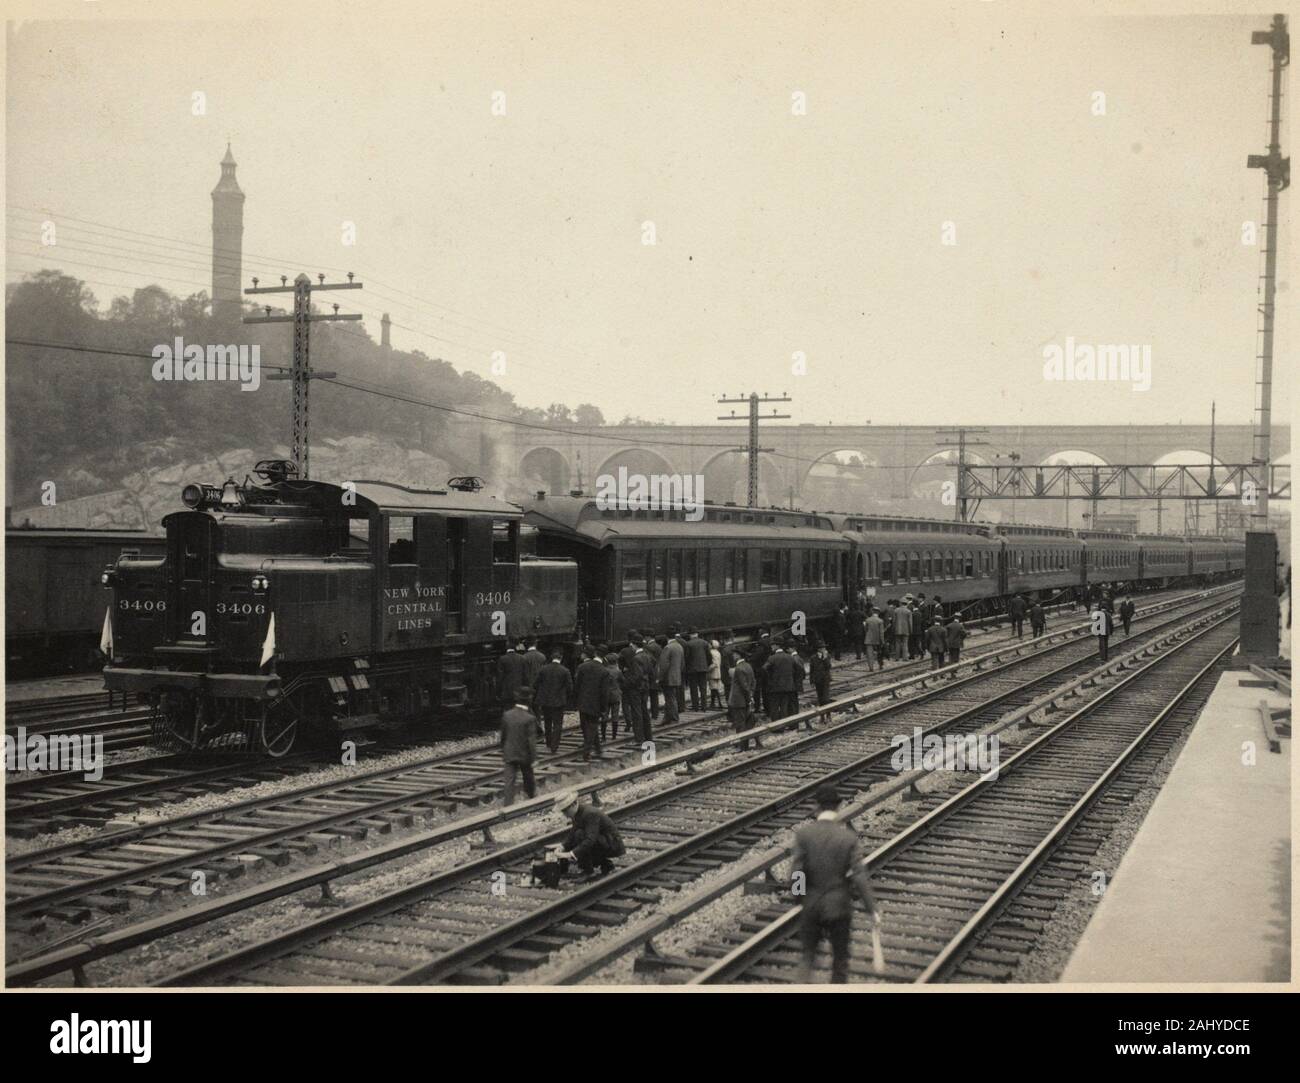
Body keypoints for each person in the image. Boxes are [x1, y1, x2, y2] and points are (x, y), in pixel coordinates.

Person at [791, 783, 881, 984]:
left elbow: (797, 873)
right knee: (840, 961)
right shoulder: (847, 838)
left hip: (811, 905)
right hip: (839, 908)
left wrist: (800, 900)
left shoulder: (804, 835)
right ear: (837, 807)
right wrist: (871, 909)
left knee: (807, 958)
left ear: (817, 807)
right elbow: (859, 876)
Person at [554, 791, 625, 878]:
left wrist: (571, 854)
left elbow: (590, 840)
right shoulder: (578, 813)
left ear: (573, 804)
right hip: (603, 841)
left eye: (565, 811)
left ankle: (588, 871)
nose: (565, 815)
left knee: (580, 835)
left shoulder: (590, 813)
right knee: (577, 835)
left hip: (613, 845)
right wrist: (562, 846)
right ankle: (605, 864)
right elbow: (572, 832)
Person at [499, 699, 539, 806]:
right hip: (524, 754)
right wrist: (534, 758)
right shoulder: (530, 718)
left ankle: (507, 805)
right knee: (528, 777)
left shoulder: (507, 715)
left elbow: (503, 735)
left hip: (510, 753)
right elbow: (531, 741)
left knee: (509, 781)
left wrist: (504, 749)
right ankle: (532, 800)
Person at [573, 650, 610, 761]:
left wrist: (576, 701)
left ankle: (598, 749)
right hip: (595, 704)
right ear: (604, 658)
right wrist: (604, 708)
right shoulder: (604, 671)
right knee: (592, 727)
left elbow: (577, 685)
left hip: (582, 702)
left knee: (588, 727)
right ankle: (586, 752)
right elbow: (604, 693)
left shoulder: (583, 667)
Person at [532, 653, 572, 753]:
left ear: (551, 658)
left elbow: (535, 684)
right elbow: (569, 687)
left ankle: (549, 743)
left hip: (545, 701)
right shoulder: (565, 671)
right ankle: (555, 746)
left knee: (547, 722)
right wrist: (565, 696)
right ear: (561, 659)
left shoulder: (543, 669)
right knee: (557, 724)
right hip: (559, 702)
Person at [766, 643, 807, 727]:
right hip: (788, 687)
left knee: (775, 707)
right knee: (785, 706)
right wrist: (793, 680)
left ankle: (777, 727)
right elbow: (800, 669)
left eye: (772, 645)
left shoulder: (772, 658)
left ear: (777, 646)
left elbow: (764, 669)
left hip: (775, 687)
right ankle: (787, 724)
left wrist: (770, 680)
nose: (771, 647)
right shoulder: (790, 657)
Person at [728, 649, 761, 749]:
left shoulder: (738, 669)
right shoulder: (748, 666)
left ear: (738, 655)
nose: (733, 656)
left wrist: (748, 698)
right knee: (746, 721)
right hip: (745, 700)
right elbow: (753, 682)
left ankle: (742, 746)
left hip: (738, 701)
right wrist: (751, 695)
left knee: (740, 723)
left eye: (734, 654)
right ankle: (744, 744)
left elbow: (744, 686)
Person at [657, 631, 684, 723]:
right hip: (676, 676)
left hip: (668, 677)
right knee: (672, 697)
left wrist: (659, 678)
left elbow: (664, 665)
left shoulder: (667, 648)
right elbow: (682, 663)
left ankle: (672, 717)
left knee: (669, 697)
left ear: (666, 637)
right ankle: (670, 717)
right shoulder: (679, 646)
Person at [685, 629, 711, 712]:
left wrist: (687, 667)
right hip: (703, 668)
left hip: (692, 670)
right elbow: (709, 656)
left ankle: (695, 707)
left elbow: (687, 658)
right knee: (703, 688)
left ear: (690, 635)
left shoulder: (688, 644)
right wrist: (706, 665)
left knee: (694, 688)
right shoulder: (704, 642)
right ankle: (704, 707)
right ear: (697, 634)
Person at [751, 631, 773, 717]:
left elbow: (755, 657)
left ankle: (757, 708)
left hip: (759, 670)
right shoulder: (770, 642)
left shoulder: (761, 645)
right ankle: (768, 708)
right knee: (766, 690)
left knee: (757, 690)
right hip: (768, 670)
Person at [602, 653, 623, 742]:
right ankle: (614, 736)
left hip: (605, 696)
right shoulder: (618, 671)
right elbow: (623, 681)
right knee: (615, 716)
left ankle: (603, 737)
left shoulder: (603, 670)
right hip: (615, 695)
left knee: (604, 716)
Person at [645, 634, 664, 721]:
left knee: (647, 694)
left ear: (648, 637)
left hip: (650, 673)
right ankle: (655, 714)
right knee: (654, 695)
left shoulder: (649, 647)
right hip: (657, 672)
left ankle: (647, 715)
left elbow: (650, 661)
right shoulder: (658, 647)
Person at [707, 639, 725, 709]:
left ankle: (714, 704)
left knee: (713, 689)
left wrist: (707, 670)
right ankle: (716, 703)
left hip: (713, 672)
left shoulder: (711, 652)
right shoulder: (718, 652)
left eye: (710, 644)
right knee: (715, 688)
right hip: (718, 672)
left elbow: (714, 664)